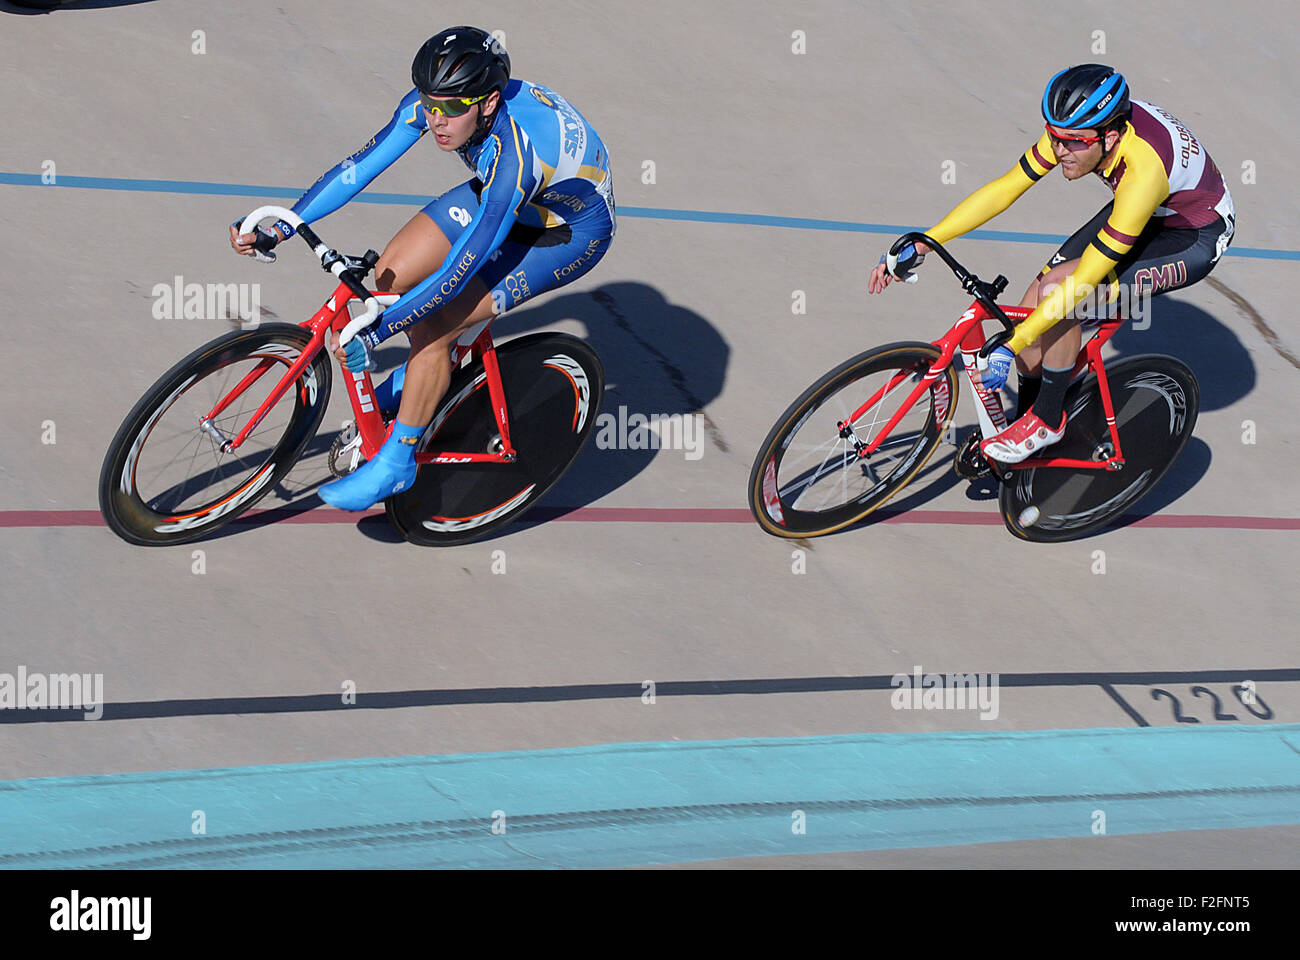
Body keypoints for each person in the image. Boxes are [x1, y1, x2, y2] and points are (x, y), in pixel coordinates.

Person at [231, 26, 616, 508]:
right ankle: (431, 374)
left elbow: (464, 265)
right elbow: (361, 167)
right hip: (505, 195)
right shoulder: (448, 104)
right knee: (390, 273)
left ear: (488, 103)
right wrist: (284, 225)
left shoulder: (519, 154)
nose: (438, 119)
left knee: (434, 323)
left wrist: (378, 331)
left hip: (564, 232)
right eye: (430, 104)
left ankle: (397, 462)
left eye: (452, 109)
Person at [868, 64, 1234, 465]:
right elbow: (1006, 188)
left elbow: (1083, 281)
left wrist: (1014, 341)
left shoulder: (1143, 172)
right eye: (1054, 138)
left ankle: (1047, 420)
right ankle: (1027, 433)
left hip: (1194, 235)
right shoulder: (1078, 129)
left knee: (1062, 296)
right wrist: (928, 241)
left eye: (1071, 143)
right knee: (1031, 305)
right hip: (1153, 209)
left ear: (1108, 136)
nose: (1059, 152)